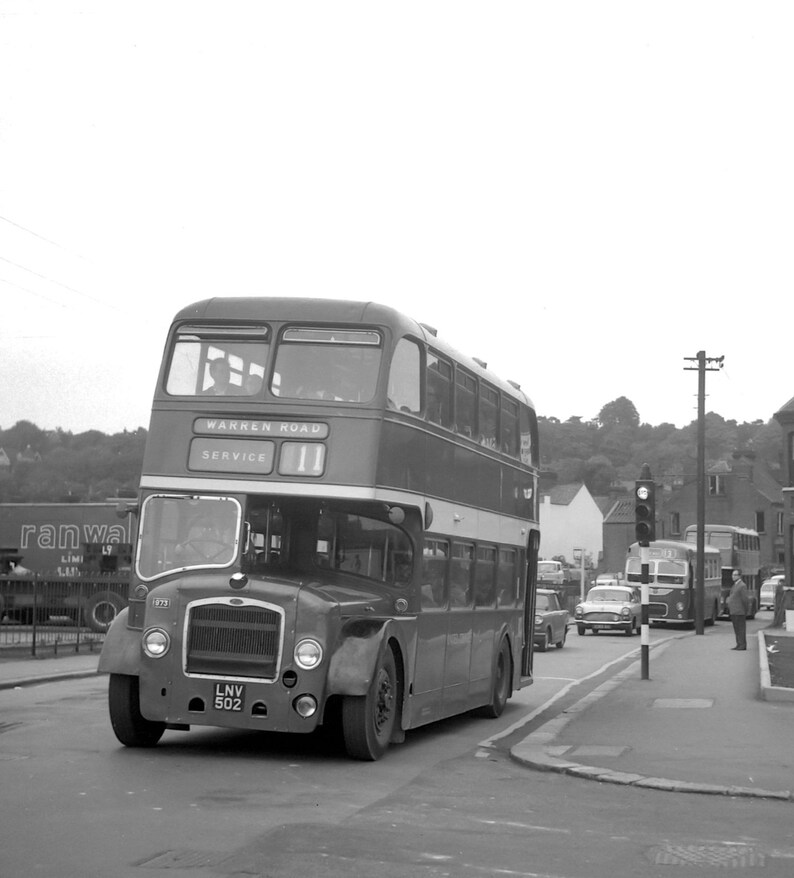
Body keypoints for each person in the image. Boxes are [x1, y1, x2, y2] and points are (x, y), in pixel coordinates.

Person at [726, 568, 749, 650]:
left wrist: (745, 610)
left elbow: (744, 599)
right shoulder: (734, 585)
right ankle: (738, 644)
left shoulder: (742, 586)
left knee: (741, 629)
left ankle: (742, 645)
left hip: (740, 611)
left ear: (739, 576)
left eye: (735, 575)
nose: (733, 576)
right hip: (734, 611)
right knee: (736, 629)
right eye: (732, 575)